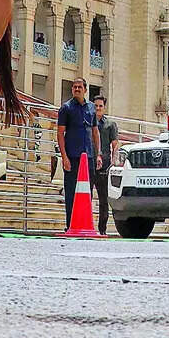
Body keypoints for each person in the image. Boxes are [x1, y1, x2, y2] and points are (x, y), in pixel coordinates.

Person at [56, 77, 101, 228]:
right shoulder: (66, 108)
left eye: (79, 87)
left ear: (85, 90)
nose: (76, 89)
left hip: (88, 157)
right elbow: (60, 133)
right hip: (72, 157)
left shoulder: (91, 108)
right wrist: (64, 157)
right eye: (74, 87)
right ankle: (70, 225)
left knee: (88, 192)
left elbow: (95, 132)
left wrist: (98, 154)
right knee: (70, 192)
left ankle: (84, 224)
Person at [92, 96, 120, 236]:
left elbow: (115, 145)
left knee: (103, 199)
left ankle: (102, 229)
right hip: (89, 164)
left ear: (104, 107)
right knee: (85, 197)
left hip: (104, 167)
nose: (98, 108)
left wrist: (114, 162)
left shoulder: (110, 124)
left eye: (100, 106)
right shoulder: (88, 122)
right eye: (95, 106)